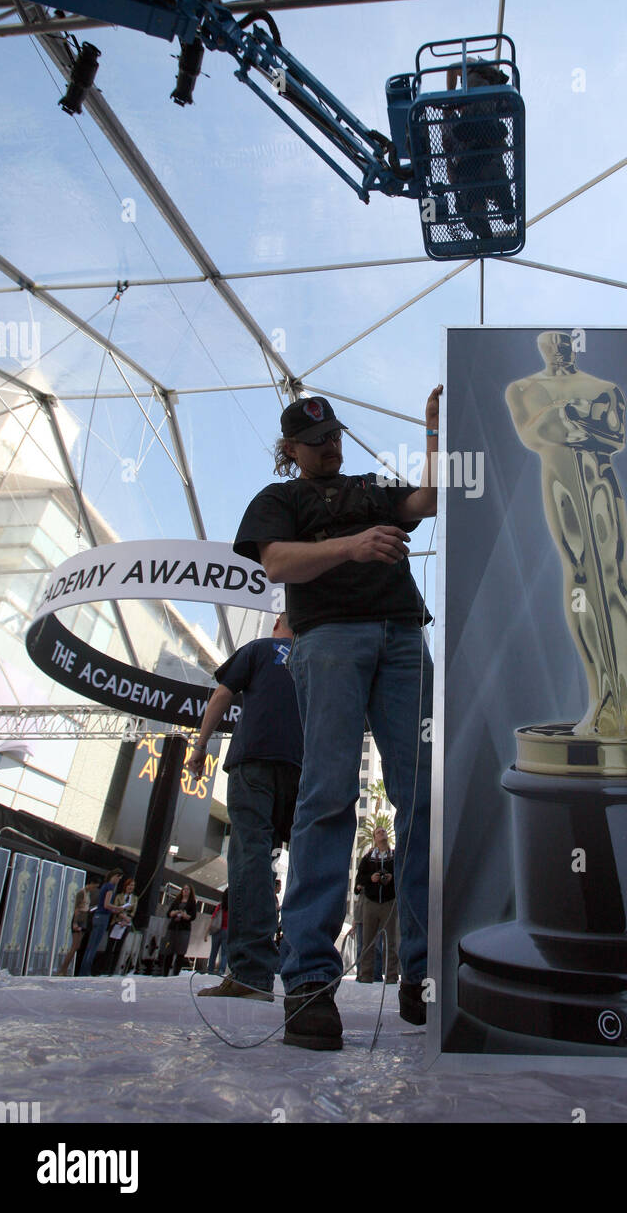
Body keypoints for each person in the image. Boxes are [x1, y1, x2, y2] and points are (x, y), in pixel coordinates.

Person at [232, 388, 440, 1049]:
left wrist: (431, 432)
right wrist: (352, 547)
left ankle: (424, 972)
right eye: (314, 440)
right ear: (290, 449)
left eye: (333, 436)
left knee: (424, 798)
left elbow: (430, 501)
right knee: (326, 797)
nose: (329, 446)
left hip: (402, 636)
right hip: (327, 641)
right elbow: (273, 561)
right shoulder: (280, 500)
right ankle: (311, 983)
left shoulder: (372, 486)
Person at [189, 615, 303, 1002]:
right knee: (303, 863)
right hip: (302, 769)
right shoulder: (310, 656)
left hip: (253, 762)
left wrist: (200, 746)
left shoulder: (256, 650)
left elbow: (221, 695)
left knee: (250, 859)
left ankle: (251, 975)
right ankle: (304, 975)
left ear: (276, 624)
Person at [442, 59, 515, 243]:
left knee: (469, 184)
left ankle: (481, 211)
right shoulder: (495, 87)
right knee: (492, 167)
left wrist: (449, 102)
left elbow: (452, 68)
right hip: (487, 149)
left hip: (470, 153)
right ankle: (500, 196)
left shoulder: (472, 71)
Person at [355, 826, 399, 983]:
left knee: (391, 941)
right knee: (368, 941)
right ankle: (366, 975)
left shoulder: (394, 856)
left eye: (384, 831)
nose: (382, 834)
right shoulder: (368, 858)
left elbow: (400, 874)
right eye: (379, 832)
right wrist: (371, 879)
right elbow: (359, 879)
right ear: (374, 838)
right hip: (371, 903)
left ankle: (392, 976)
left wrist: (390, 878)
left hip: (389, 902)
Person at [80, 868, 124, 976]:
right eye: (119, 878)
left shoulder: (104, 886)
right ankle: (86, 971)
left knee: (90, 945)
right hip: (103, 916)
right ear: (115, 876)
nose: (119, 880)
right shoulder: (110, 887)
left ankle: (83, 970)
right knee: (94, 945)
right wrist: (117, 908)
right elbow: (106, 904)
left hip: (97, 916)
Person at [58, 877, 98, 977]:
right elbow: (77, 908)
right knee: (74, 946)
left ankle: (64, 969)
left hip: (84, 918)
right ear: (91, 883)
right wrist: (75, 923)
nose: (94, 889)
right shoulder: (81, 893)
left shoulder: (88, 894)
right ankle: (62, 970)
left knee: (77, 946)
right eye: (94, 886)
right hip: (79, 919)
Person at [103, 877, 138, 975]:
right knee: (110, 945)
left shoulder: (134, 899)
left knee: (119, 947)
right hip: (116, 922)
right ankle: (105, 968)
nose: (131, 887)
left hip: (126, 924)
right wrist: (121, 916)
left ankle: (113, 969)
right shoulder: (119, 896)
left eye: (133, 886)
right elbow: (115, 908)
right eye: (130, 885)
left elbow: (133, 911)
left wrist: (127, 919)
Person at [163, 885, 197, 976]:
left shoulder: (192, 903)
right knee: (169, 950)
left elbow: (193, 916)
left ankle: (175, 973)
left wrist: (185, 915)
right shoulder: (176, 901)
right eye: (184, 889)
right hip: (173, 927)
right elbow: (169, 913)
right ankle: (165, 972)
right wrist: (175, 912)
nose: (185, 891)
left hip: (184, 929)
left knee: (180, 952)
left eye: (187, 889)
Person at [207, 888, 229, 976]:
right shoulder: (233, 907)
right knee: (224, 953)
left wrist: (207, 931)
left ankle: (210, 970)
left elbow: (213, 918)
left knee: (213, 952)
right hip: (227, 931)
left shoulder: (220, 906)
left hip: (217, 930)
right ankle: (221, 970)